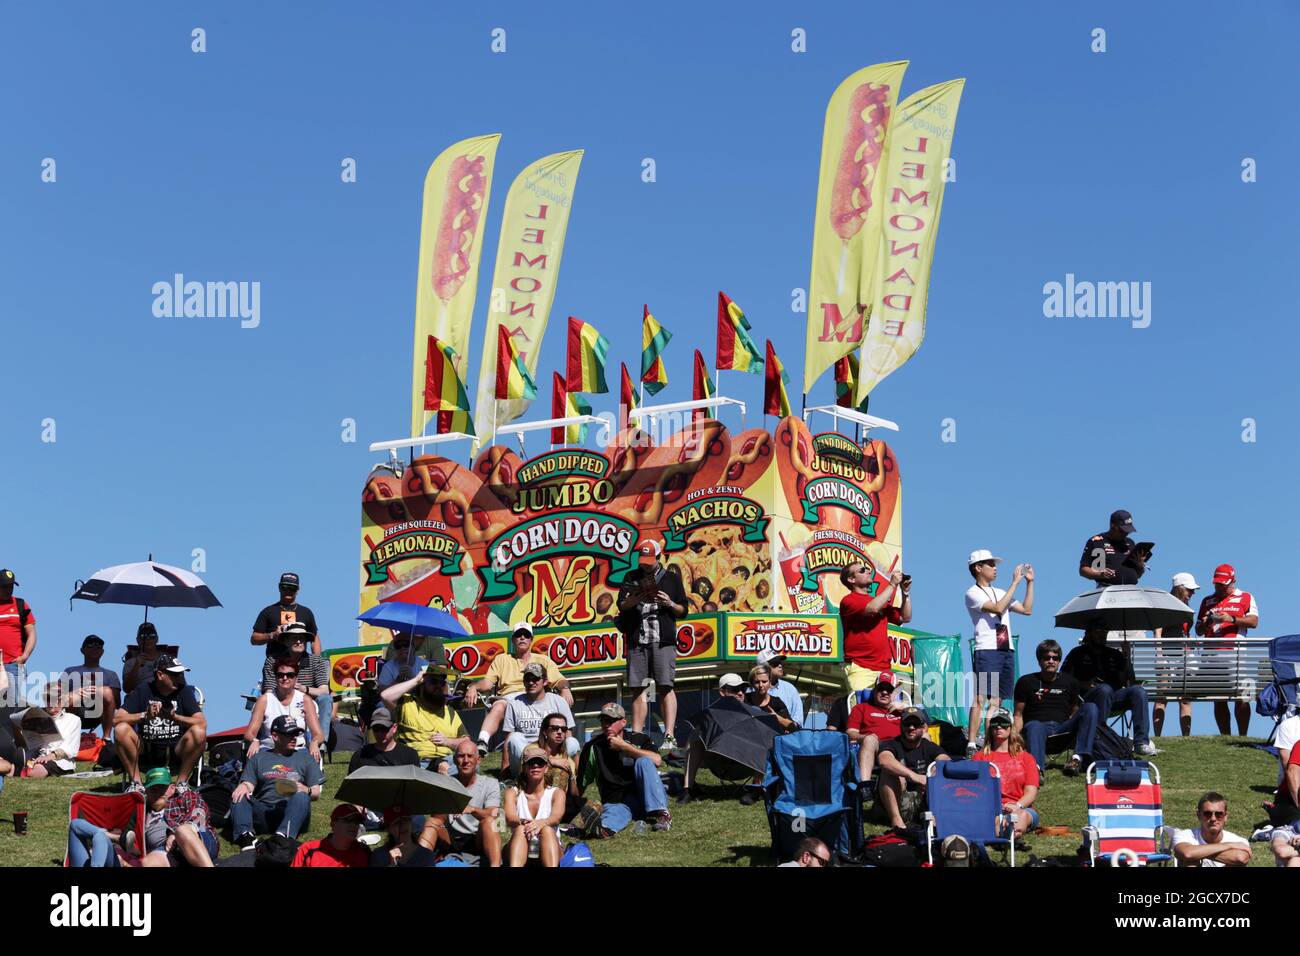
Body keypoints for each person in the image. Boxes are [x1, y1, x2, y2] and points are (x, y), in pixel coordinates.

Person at [616, 539, 689, 751]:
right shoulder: (631, 577)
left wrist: (670, 603)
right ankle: (637, 734)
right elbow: (621, 605)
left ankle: (669, 735)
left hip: (662, 639)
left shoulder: (672, 579)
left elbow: (683, 610)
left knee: (666, 685)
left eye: (649, 560)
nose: (645, 564)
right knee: (638, 687)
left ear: (659, 557)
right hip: (637, 639)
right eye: (643, 560)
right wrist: (634, 599)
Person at [964, 550, 1034, 756]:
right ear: (978, 568)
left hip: (1005, 648)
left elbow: (1027, 609)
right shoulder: (972, 593)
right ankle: (970, 743)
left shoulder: (1001, 591)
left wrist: (1029, 583)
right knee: (980, 698)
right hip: (987, 649)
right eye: (990, 564)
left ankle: (988, 742)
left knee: (997, 700)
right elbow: (996, 608)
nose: (995, 568)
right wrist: (1015, 584)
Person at [466, 622, 571, 757]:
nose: (522, 638)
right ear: (513, 640)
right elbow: (487, 683)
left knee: (558, 702)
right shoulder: (502, 659)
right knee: (498, 705)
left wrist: (565, 688)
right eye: (518, 635)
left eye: (526, 635)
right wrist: (473, 687)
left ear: (531, 640)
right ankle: (482, 742)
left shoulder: (543, 660)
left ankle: (564, 744)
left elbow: (559, 680)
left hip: (538, 697)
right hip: (510, 698)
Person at [115, 654, 207, 792]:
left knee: (199, 732)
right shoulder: (144, 690)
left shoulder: (184, 691)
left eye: (180, 674)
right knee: (120, 730)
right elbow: (116, 719)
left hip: (178, 749)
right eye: (174, 674)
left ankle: (181, 784)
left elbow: (202, 722)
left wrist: (176, 718)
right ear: (160, 674)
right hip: (146, 748)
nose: (179, 678)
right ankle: (136, 784)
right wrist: (145, 715)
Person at [1061, 625, 1156, 757]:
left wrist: (1126, 658)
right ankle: (1100, 740)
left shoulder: (1114, 654)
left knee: (1138, 691)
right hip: (1087, 699)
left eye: (1104, 631)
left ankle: (1141, 742)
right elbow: (1064, 680)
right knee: (1104, 689)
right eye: (1098, 631)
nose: (1102, 634)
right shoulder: (1076, 653)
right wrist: (1084, 684)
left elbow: (1129, 682)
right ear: (1088, 634)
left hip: (1115, 696)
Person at [577, 702, 672, 834]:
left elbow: (657, 760)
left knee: (643, 762)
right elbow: (581, 783)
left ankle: (661, 814)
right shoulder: (593, 747)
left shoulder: (639, 739)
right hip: (617, 803)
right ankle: (600, 829)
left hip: (646, 798)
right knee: (605, 826)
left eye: (611, 720)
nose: (607, 724)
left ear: (623, 722)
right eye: (604, 720)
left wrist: (625, 747)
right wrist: (570, 809)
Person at [230, 716, 324, 847]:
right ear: (275, 736)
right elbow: (249, 785)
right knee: (239, 794)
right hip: (264, 811)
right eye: (289, 734)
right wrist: (244, 785)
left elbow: (316, 792)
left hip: (292, 810)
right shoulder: (259, 758)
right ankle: (245, 836)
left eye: (296, 734)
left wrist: (306, 790)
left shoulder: (305, 758)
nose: (294, 738)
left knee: (301, 796)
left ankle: (283, 836)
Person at [1013, 639, 1098, 775]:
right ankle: (1036, 770)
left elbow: (1074, 711)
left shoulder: (1070, 682)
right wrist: (1015, 738)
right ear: (1039, 660)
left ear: (1059, 661)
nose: (1051, 661)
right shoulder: (1026, 682)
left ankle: (1078, 758)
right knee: (1035, 725)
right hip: (1037, 730)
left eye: (1055, 658)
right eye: (1047, 658)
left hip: (1063, 729)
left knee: (1090, 707)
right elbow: (1018, 714)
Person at [680, 673, 767, 804]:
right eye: (734, 690)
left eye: (742, 689)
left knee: (765, 736)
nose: (740, 693)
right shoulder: (710, 715)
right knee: (695, 737)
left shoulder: (753, 713)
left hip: (745, 765)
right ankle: (687, 789)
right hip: (719, 765)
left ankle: (756, 790)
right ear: (722, 692)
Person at [1195, 564, 1259, 737]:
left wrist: (1231, 618)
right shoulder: (1207, 600)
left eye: (1222, 584)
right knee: (1218, 698)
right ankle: (1225, 737)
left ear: (1233, 581)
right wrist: (1206, 622)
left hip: (1236, 653)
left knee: (1242, 696)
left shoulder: (1245, 597)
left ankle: (1243, 736)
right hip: (1211, 654)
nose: (1219, 587)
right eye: (1217, 584)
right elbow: (1198, 630)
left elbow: (1253, 622)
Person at [838, 561, 911, 694]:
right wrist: (892, 584)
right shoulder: (848, 601)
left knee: (887, 713)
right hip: (861, 668)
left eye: (867, 569)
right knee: (862, 711)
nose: (867, 571)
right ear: (851, 579)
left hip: (884, 670)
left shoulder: (878, 601)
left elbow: (904, 618)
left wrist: (905, 593)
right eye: (862, 570)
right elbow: (872, 609)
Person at [381, 663, 470, 765]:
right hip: (415, 762)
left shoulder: (450, 712)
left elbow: (466, 742)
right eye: (433, 682)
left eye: (441, 683)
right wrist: (416, 680)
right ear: (423, 684)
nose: (438, 686)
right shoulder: (407, 704)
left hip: (447, 761)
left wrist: (447, 741)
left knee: (471, 766)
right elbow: (385, 696)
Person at [259, 623, 331, 749]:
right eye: (294, 638)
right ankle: (268, 740)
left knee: (326, 699)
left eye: (302, 638)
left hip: (309, 702)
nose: (298, 641)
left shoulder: (316, 661)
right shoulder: (273, 661)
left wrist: (304, 689)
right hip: (280, 700)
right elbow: (269, 691)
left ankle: (320, 743)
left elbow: (324, 690)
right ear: (286, 641)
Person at [501, 662, 580, 775]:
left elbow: (567, 733)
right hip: (525, 756)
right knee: (514, 738)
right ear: (523, 681)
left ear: (545, 681)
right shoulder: (514, 703)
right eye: (527, 679)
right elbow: (508, 739)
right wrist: (504, 768)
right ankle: (547, 764)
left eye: (535, 679)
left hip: (553, 750)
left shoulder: (559, 701)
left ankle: (573, 775)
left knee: (573, 743)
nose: (531, 682)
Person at [875, 707, 948, 830]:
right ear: (901, 725)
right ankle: (896, 821)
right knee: (890, 773)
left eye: (916, 724)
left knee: (939, 772)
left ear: (923, 728)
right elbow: (884, 760)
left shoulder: (929, 747)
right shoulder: (891, 744)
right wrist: (914, 776)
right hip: (896, 802)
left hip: (920, 801)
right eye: (907, 724)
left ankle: (933, 821)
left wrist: (934, 773)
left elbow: (945, 759)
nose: (911, 728)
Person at [972, 708, 1039, 837]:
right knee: (995, 819)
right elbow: (975, 790)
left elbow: (1031, 792)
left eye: (1003, 723)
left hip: (1022, 808)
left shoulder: (1026, 758)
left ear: (1011, 728)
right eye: (994, 723)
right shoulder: (979, 757)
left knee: (1021, 816)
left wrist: (1017, 805)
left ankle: (1005, 833)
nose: (998, 727)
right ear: (990, 728)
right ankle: (1006, 834)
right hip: (990, 809)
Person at [245, 657, 322, 761]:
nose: (285, 678)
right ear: (275, 677)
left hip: (298, 750)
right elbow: (249, 733)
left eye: (290, 675)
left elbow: (319, 734)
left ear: (296, 678)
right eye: (280, 675)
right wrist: (254, 741)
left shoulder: (305, 700)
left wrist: (314, 742)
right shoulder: (264, 700)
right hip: (269, 749)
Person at [139, 767, 218, 868]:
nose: (157, 792)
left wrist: (175, 834)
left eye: (161, 788)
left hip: (197, 838)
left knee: (182, 831)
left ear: (172, 788)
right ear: (146, 791)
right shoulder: (142, 810)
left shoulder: (185, 797)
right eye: (152, 789)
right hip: (169, 851)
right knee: (147, 863)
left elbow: (200, 813)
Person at [1152, 572, 1198, 737]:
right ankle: (1158, 737)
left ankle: (1186, 737)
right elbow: (1158, 630)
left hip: (1185, 654)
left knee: (1185, 698)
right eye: (1189, 590)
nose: (1192, 593)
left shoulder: (1188, 606)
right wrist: (1159, 652)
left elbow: (1185, 631)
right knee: (1162, 697)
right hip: (1167, 653)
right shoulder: (1164, 604)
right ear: (1180, 588)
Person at [504, 744, 566, 867]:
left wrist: (540, 824)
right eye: (531, 763)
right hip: (522, 846)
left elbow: (556, 817)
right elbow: (509, 818)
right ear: (525, 768)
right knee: (520, 829)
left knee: (547, 830)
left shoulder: (557, 793)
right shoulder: (512, 793)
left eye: (540, 762)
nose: (536, 766)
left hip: (549, 847)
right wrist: (525, 823)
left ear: (546, 768)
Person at [446, 739, 503, 866]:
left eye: (470, 756)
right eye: (461, 756)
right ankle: (422, 860)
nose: (466, 760)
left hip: (479, 837)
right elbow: (437, 819)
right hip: (451, 839)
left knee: (490, 821)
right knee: (431, 823)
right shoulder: (446, 783)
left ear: (478, 760)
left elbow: (495, 816)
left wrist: (472, 809)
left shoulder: (490, 783)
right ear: (455, 760)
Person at [10, 684, 81, 778]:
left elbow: (68, 749)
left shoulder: (73, 720)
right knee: (11, 762)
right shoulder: (35, 715)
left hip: (57, 761)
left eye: (56, 699)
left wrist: (47, 758)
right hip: (32, 758)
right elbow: (22, 746)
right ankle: (16, 770)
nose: (52, 702)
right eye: (48, 698)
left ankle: (18, 772)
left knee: (38, 769)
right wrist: (15, 727)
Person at [846, 675, 904, 786]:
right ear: (875, 690)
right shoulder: (861, 708)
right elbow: (850, 733)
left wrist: (905, 709)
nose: (885, 692)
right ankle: (865, 787)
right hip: (877, 747)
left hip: (901, 747)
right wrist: (865, 737)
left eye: (889, 690)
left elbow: (922, 728)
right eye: (881, 689)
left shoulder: (902, 711)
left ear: (895, 693)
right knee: (869, 740)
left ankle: (931, 784)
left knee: (925, 736)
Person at [60, 635, 121, 737]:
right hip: (75, 710)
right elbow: (58, 697)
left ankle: (106, 737)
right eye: (90, 645)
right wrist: (76, 693)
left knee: (106, 691)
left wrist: (99, 691)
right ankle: (68, 737)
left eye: (98, 647)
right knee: (70, 697)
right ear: (82, 650)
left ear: (102, 652)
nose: (95, 648)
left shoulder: (111, 674)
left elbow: (117, 703)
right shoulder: (70, 671)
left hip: (99, 713)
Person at [251, 571, 322, 656]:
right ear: (279, 587)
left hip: (300, 665)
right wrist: (272, 635)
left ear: (298, 589)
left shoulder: (306, 612)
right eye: (285, 587)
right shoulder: (268, 611)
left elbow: (314, 638)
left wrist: (317, 661)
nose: (288, 590)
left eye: (292, 588)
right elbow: (254, 638)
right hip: (275, 664)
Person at [1172, 792, 1251, 867]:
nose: (1213, 818)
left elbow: (1240, 858)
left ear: (1225, 816)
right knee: (1191, 863)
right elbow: (1187, 854)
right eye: (1207, 814)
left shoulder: (1239, 841)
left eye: (1219, 814)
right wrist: (1229, 845)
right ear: (1199, 815)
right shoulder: (1184, 835)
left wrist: (1197, 853)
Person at [535, 713, 585, 821]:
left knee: (596, 806)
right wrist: (550, 761)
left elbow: (575, 794)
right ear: (545, 731)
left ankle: (569, 826)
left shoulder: (567, 759)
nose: (559, 732)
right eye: (554, 728)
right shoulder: (533, 748)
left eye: (563, 729)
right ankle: (550, 819)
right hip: (537, 803)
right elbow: (528, 758)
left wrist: (571, 775)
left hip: (563, 804)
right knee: (559, 771)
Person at [1079, 509, 1147, 587]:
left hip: (1131, 591)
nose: (1126, 533)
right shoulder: (1096, 542)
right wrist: (1100, 574)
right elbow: (1083, 570)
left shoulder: (1130, 543)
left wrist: (1140, 566)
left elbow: (1137, 575)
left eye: (1128, 530)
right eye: (1123, 530)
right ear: (1113, 525)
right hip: (1107, 590)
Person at [0, 568, 36, 708]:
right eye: (4, 586)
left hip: (13, 664)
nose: (8, 590)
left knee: (11, 704)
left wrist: (25, 656)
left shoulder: (20, 604)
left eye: (10, 586)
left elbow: (31, 633)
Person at [292, 804, 370, 867]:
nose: (353, 825)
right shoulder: (308, 850)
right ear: (333, 824)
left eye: (356, 822)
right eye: (348, 820)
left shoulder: (363, 852)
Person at [347, 705, 420, 772]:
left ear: (394, 728)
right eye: (376, 729)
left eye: (384, 729)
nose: (379, 733)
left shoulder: (409, 755)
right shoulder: (361, 755)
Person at [371, 807, 439, 867]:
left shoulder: (426, 856)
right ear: (388, 829)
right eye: (397, 823)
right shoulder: (379, 855)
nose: (403, 825)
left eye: (406, 820)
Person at [757, 649, 804, 727]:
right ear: (763, 667)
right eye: (775, 663)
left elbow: (798, 723)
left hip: (784, 737)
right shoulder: (752, 690)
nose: (780, 665)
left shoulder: (790, 689)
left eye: (780, 662)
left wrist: (781, 720)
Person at [746, 665, 797, 732]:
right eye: (757, 682)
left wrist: (778, 718)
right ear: (752, 683)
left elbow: (793, 727)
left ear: (770, 683)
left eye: (764, 682)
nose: (761, 685)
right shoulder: (745, 699)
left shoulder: (777, 702)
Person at [121, 621, 164, 695]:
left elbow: (180, 683)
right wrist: (137, 665)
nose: (148, 639)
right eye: (143, 636)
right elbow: (127, 689)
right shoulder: (130, 663)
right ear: (137, 640)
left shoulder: (169, 659)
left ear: (157, 639)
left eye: (152, 635)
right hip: (141, 696)